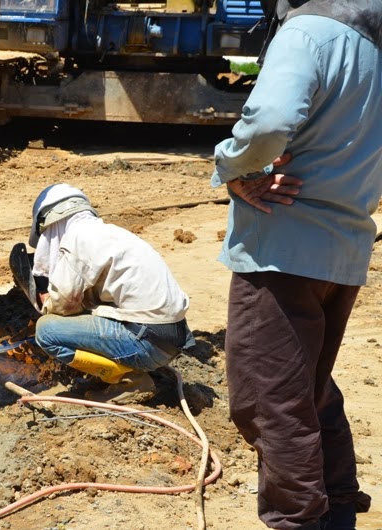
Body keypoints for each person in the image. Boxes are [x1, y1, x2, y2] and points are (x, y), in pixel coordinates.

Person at [211, 1, 382, 529]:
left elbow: (270, 120)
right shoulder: (371, 44)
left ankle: (302, 522)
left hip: (281, 248)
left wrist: (234, 166)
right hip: (344, 251)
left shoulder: (308, 31)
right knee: (309, 388)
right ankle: (336, 510)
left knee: (271, 404)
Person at [28, 183, 195, 402]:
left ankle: (131, 380)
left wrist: (45, 301)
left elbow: (64, 305)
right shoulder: (109, 233)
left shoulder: (76, 240)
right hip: (171, 337)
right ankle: (126, 368)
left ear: (51, 224)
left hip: (148, 344)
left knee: (47, 330)